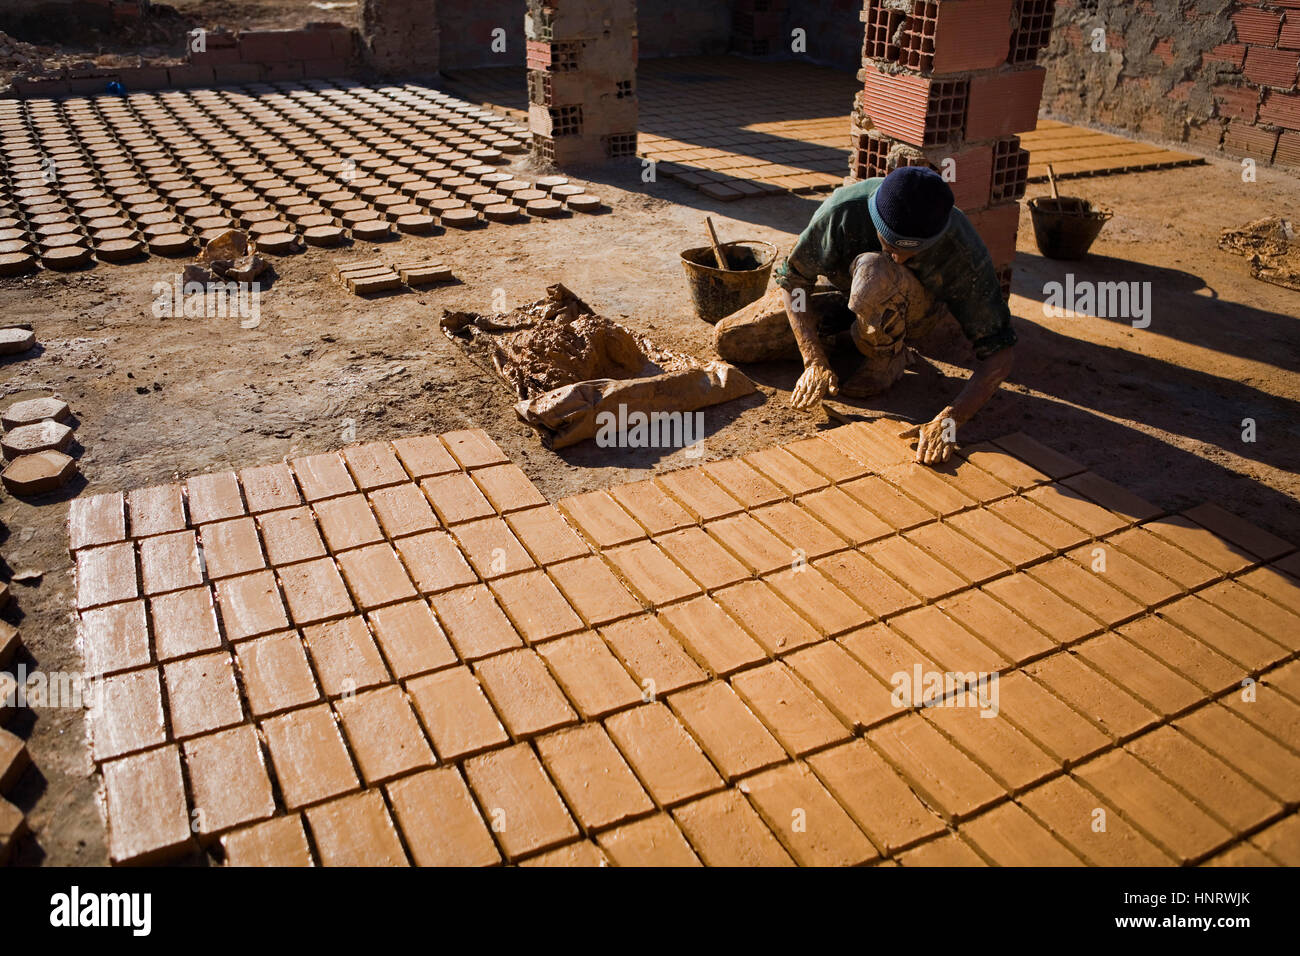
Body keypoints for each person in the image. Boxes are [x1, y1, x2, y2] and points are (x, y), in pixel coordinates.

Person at [713, 166, 1017, 465]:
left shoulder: (962, 248)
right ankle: (848, 338)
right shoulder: (843, 211)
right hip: (847, 296)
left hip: (910, 312)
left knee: (876, 269)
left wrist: (951, 420)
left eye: (912, 251)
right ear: (875, 220)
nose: (899, 256)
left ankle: (889, 353)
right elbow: (793, 280)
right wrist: (813, 359)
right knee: (731, 339)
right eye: (892, 244)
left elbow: (1000, 353)